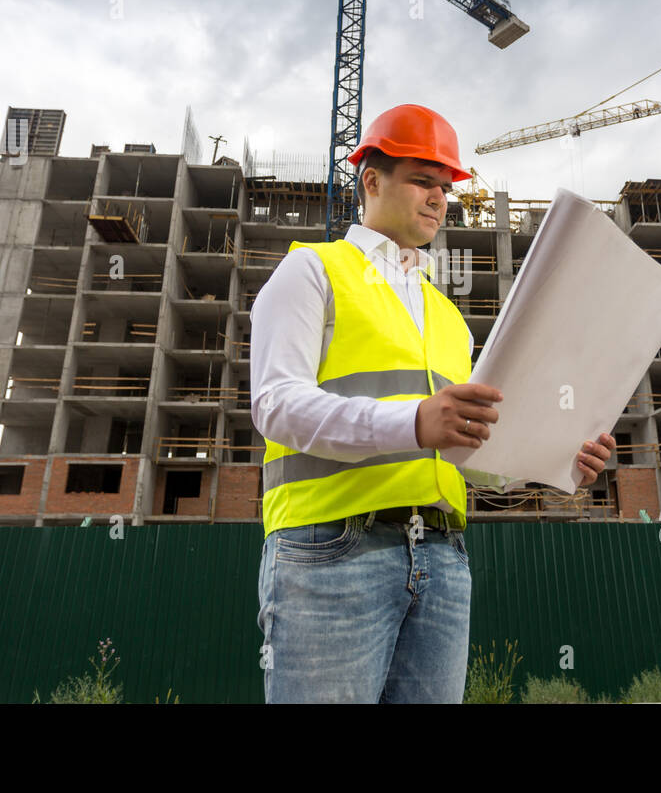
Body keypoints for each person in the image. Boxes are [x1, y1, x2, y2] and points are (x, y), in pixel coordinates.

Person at [250, 102, 616, 703]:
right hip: (333, 549)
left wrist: (557, 461)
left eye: (445, 186)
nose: (438, 198)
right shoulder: (310, 271)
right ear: (371, 180)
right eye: (423, 180)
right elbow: (276, 404)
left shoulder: (449, 319)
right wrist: (414, 421)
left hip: (444, 559)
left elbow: (472, 455)